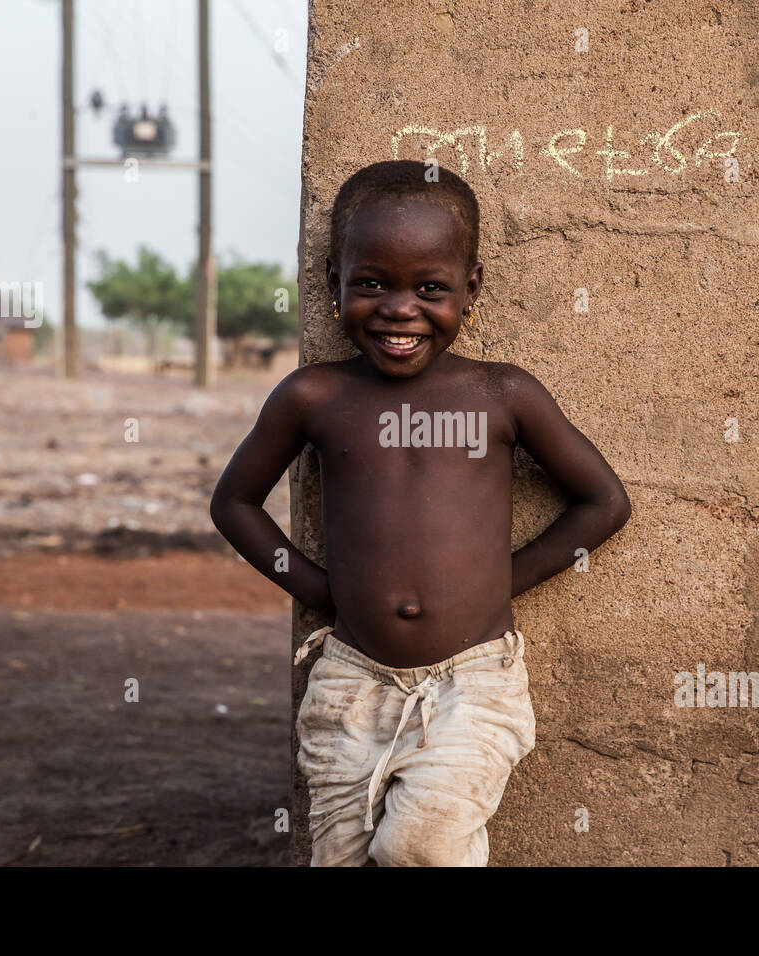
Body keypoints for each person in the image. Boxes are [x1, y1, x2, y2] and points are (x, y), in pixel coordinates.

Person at [209, 159, 631, 866]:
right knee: (341, 856)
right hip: (350, 681)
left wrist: (499, 582)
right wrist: (318, 589)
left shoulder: (502, 395)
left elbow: (604, 502)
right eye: (371, 283)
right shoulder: (313, 397)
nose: (399, 309)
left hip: (472, 682)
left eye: (429, 288)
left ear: (471, 289)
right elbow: (234, 502)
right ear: (332, 283)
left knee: (420, 850)